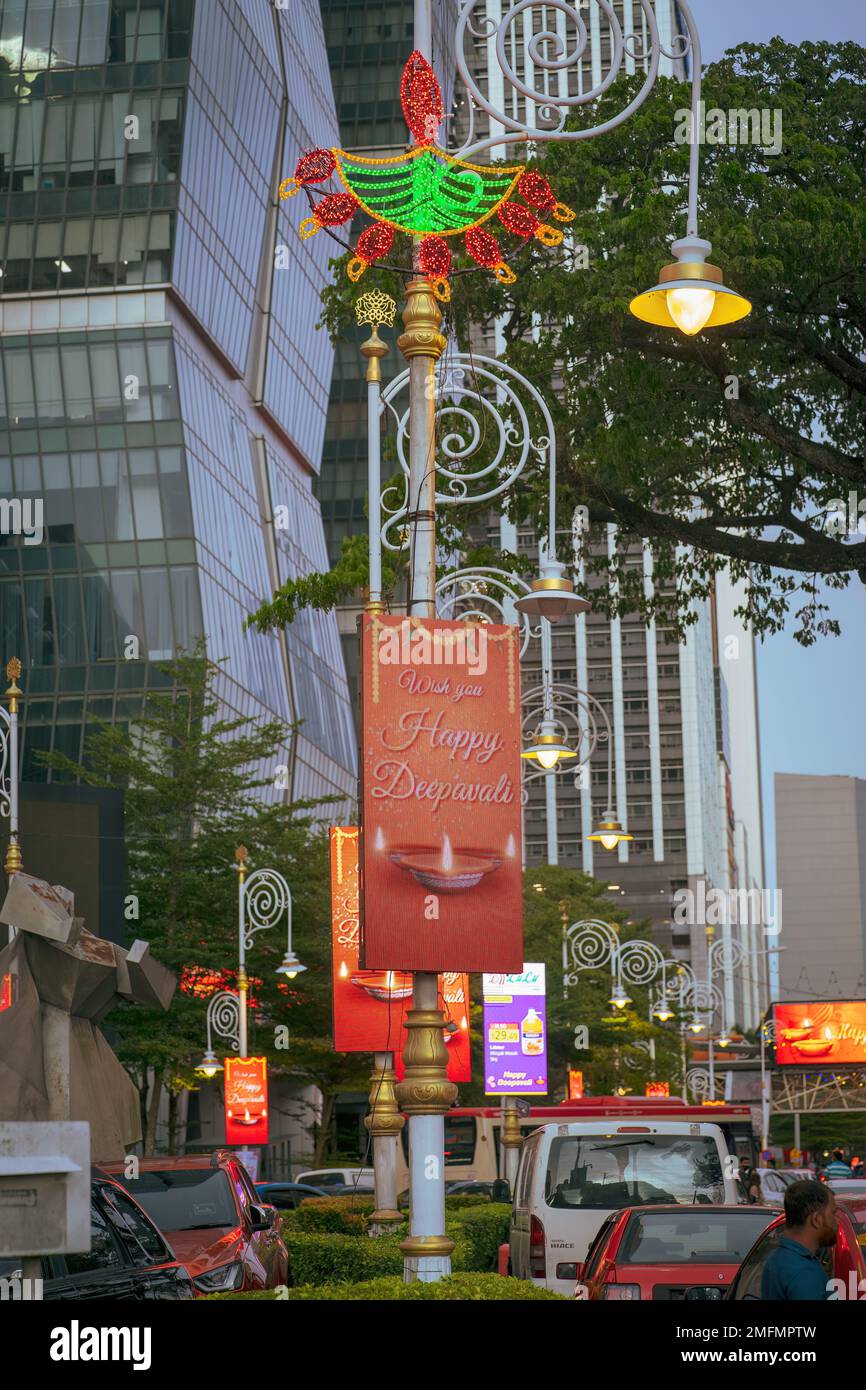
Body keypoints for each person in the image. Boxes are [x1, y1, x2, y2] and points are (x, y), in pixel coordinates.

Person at [760, 1181, 837, 1300]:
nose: (835, 1222)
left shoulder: (777, 1258)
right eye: (833, 1213)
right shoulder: (802, 1272)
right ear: (816, 1219)